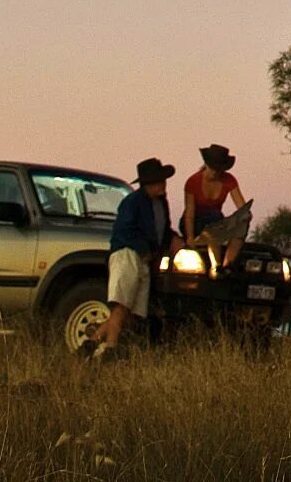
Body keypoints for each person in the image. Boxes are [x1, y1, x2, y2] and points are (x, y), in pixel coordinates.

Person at [88, 156, 174, 358]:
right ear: (149, 184)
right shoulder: (132, 202)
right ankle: (111, 348)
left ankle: (92, 344)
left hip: (144, 258)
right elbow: (124, 230)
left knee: (131, 311)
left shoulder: (161, 204)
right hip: (128, 254)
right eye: (159, 181)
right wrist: (145, 249)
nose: (163, 185)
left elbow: (163, 230)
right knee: (121, 305)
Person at [181, 143, 249, 272]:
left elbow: (242, 206)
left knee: (241, 223)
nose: (215, 173)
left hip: (216, 221)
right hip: (197, 221)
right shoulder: (193, 182)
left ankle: (227, 264)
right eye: (212, 168)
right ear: (206, 165)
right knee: (214, 223)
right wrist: (190, 237)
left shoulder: (229, 180)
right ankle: (216, 265)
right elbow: (189, 213)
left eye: (218, 170)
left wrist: (245, 215)